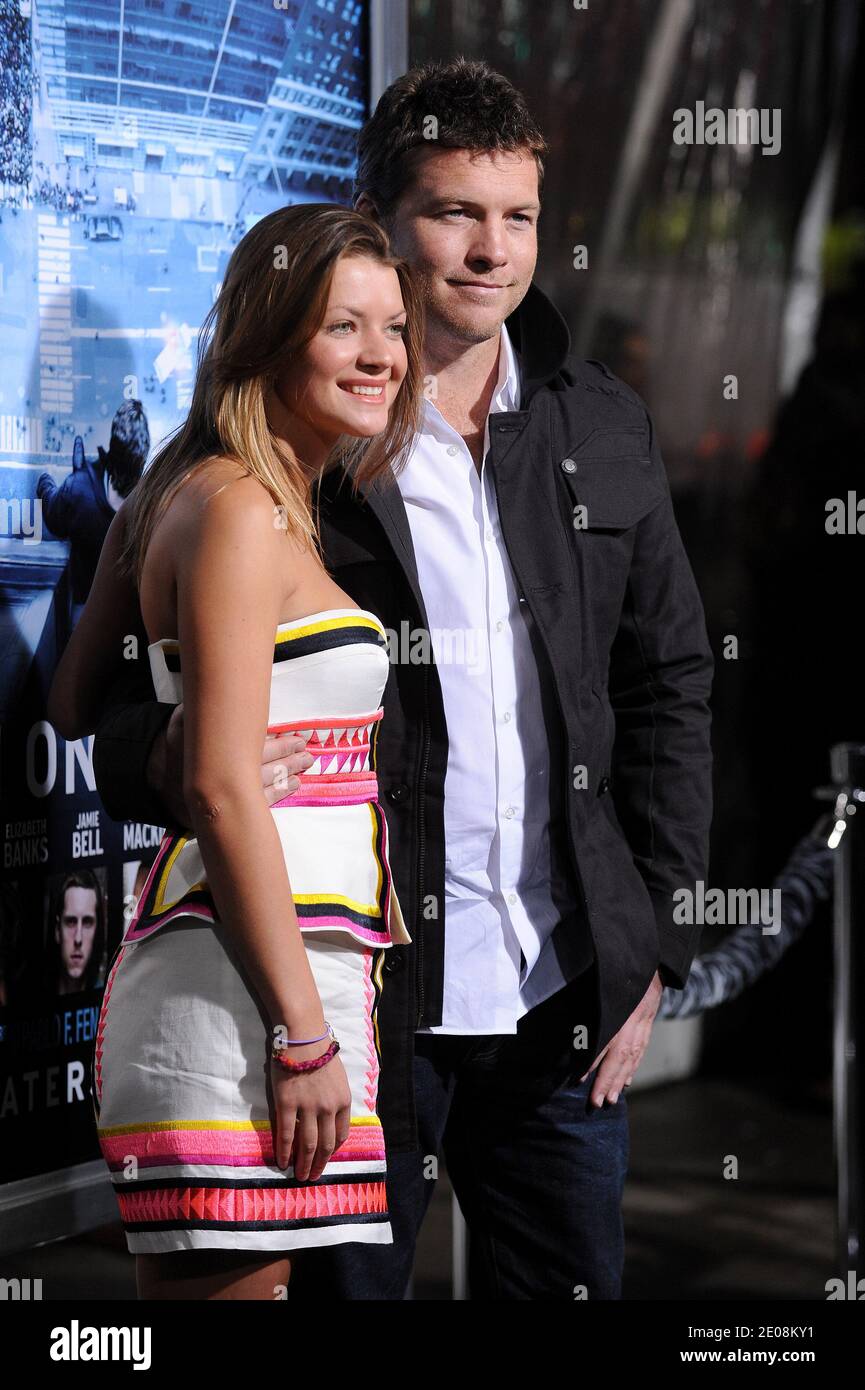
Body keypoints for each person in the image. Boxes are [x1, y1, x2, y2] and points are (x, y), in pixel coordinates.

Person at [90, 59, 714, 1300]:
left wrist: (653, 948)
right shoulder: (290, 444)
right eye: (454, 213)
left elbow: (671, 683)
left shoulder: (603, 426)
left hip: (557, 1009)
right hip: (362, 1004)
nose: (492, 251)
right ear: (385, 222)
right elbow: (111, 698)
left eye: (518, 216)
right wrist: (167, 759)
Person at [47, 204, 425, 1299]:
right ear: (265, 334)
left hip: (269, 987)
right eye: (344, 327)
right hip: (246, 1001)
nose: (382, 357)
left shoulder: (195, 488)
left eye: (392, 328)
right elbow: (220, 781)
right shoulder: (244, 511)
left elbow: (78, 699)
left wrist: (164, 735)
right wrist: (303, 1039)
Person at [37, 402, 150, 622]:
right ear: (143, 454)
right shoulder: (151, 500)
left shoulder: (80, 487)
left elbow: (54, 519)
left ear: (112, 443)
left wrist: (46, 482)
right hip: (133, 617)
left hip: (85, 613)